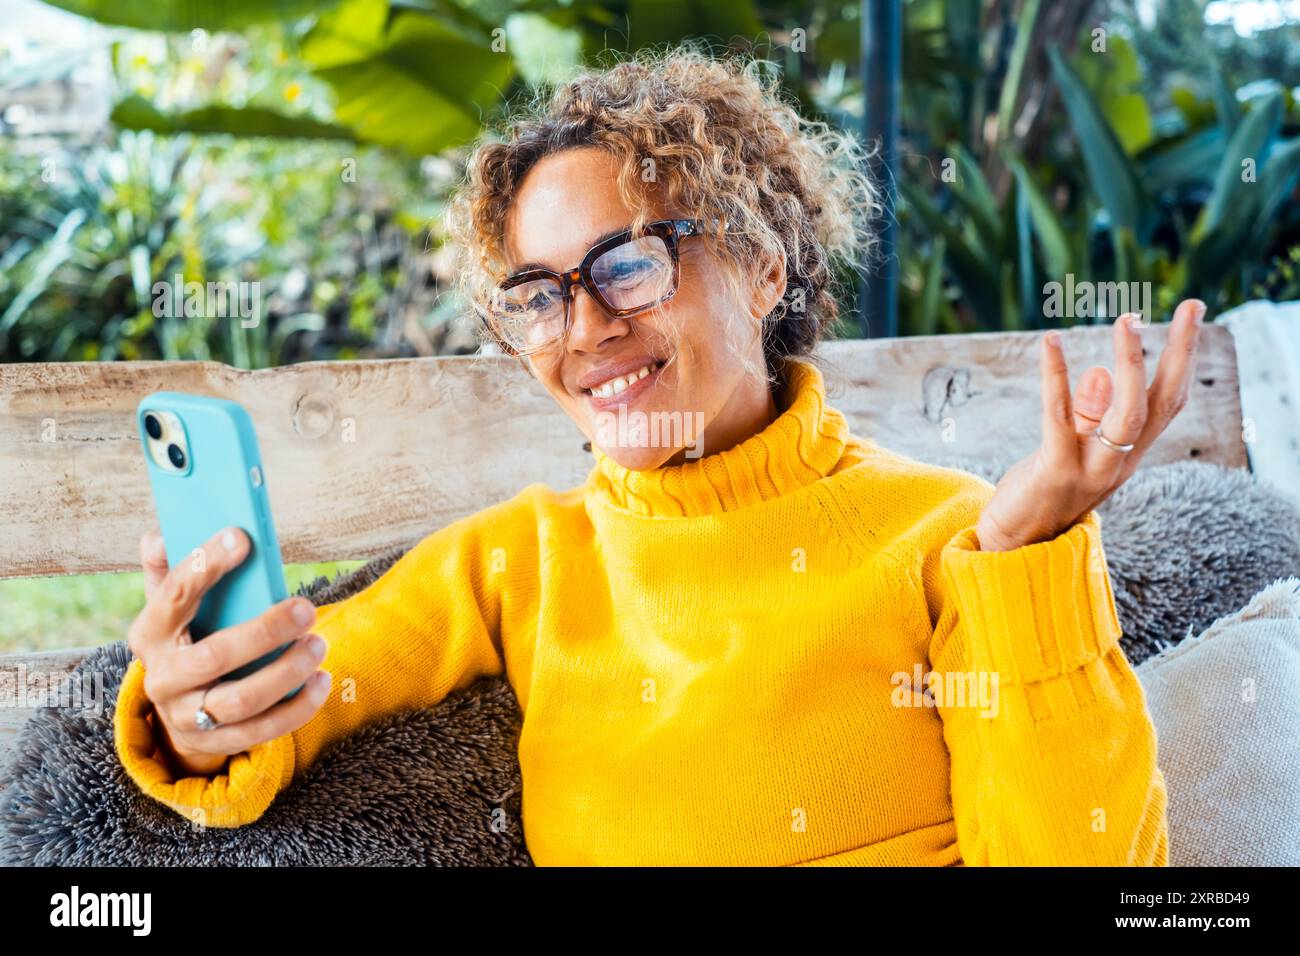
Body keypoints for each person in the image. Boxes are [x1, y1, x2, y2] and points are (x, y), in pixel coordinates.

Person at [114, 47, 1200, 865]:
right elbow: (297, 686)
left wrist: (1031, 548)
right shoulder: (515, 561)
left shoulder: (953, 535)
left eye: (627, 265)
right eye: (538, 295)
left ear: (764, 266)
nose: (583, 327)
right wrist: (194, 707)